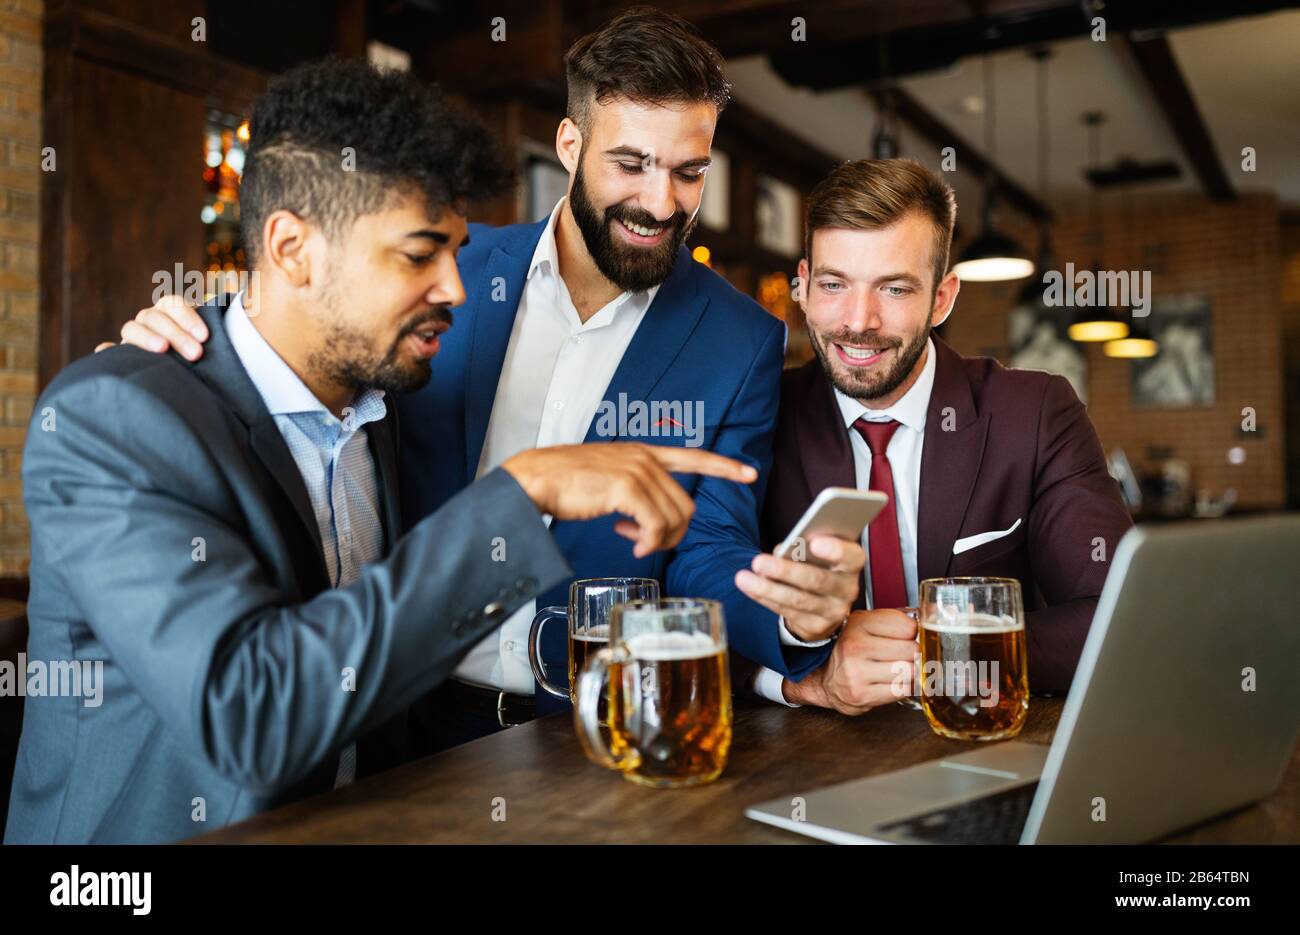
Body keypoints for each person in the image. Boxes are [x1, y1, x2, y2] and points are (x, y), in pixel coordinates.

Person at [7, 58, 757, 844]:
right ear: (293, 249)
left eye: (456, 251)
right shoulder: (118, 417)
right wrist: (524, 490)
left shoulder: (386, 412)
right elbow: (253, 713)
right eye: (418, 254)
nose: (456, 289)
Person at [112, 7, 865, 748]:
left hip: (590, 738)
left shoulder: (742, 339)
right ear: (570, 145)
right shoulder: (449, 270)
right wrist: (206, 338)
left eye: (688, 171)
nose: (661, 201)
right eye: (630, 164)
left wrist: (790, 615)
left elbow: (711, 548)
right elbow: (314, 333)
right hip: (392, 728)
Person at [752, 158, 1134, 713]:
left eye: (895, 289)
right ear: (804, 287)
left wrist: (933, 655)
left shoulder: (1034, 413)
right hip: (796, 769)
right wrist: (804, 680)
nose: (859, 321)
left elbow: (1114, 611)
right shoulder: (759, 416)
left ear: (942, 298)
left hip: (989, 744)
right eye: (834, 284)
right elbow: (699, 603)